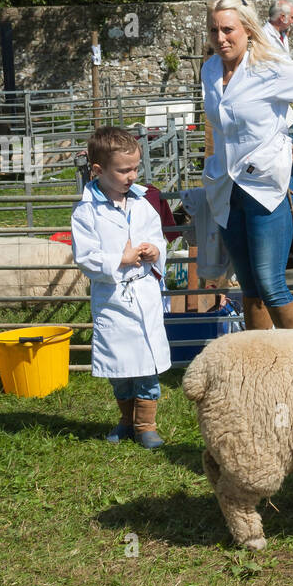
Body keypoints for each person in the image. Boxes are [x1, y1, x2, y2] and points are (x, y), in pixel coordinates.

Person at [202, 0, 293, 330]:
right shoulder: (209, 70)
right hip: (227, 186)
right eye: (214, 30)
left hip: (265, 184)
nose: (220, 38)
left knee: (270, 281)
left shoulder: (269, 67)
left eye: (228, 30)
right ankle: (261, 363)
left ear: (247, 29)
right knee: (248, 285)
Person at [71, 126, 171, 449]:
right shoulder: (86, 212)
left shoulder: (142, 203)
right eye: (124, 170)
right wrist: (120, 258)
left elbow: (156, 235)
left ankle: (146, 424)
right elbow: (85, 257)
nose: (132, 176)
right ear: (98, 170)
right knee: (119, 366)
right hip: (113, 296)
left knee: (145, 361)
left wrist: (156, 251)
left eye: (135, 168)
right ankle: (126, 419)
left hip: (143, 292)